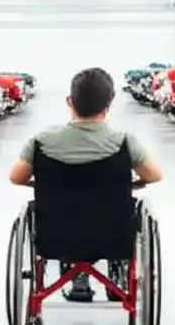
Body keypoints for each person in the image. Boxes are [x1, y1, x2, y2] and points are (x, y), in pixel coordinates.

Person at [10, 67, 162, 301]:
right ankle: (117, 274)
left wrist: (43, 185)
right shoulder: (123, 142)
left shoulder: (41, 141)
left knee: (69, 214)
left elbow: (16, 177)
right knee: (120, 209)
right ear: (108, 105)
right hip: (113, 236)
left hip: (55, 237)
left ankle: (75, 273)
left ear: (70, 101)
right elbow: (154, 175)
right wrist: (130, 185)